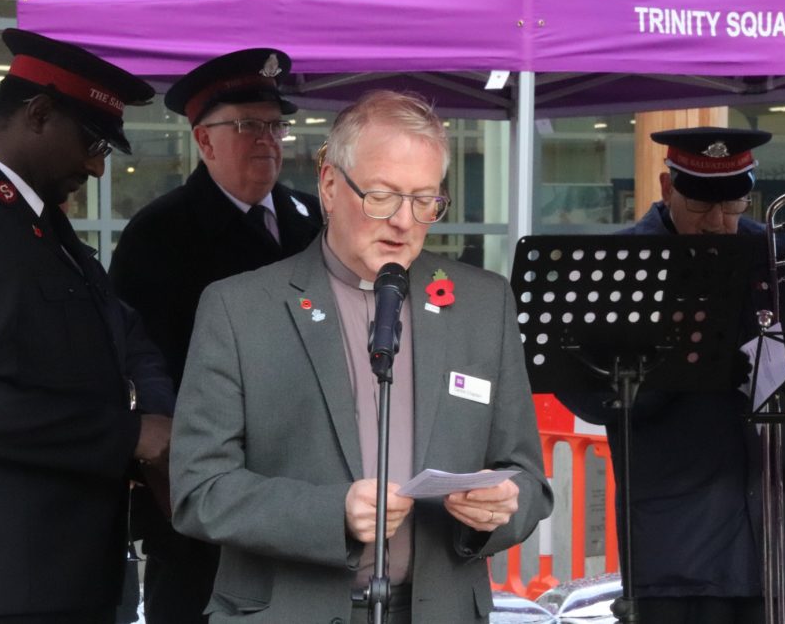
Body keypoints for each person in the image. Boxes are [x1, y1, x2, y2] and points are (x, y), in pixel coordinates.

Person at [169, 90, 554, 623]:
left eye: (425, 201)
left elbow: (528, 479)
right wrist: (331, 514)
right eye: (382, 196)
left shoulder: (482, 304)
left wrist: (498, 510)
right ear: (329, 185)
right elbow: (197, 491)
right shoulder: (239, 308)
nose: (404, 221)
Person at [555, 127, 785, 624]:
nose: (718, 222)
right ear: (667, 187)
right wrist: (673, 359)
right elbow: (588, 397)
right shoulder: (620, 265)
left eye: (734, 205)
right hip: (675, 541)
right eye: (700, 206)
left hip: (778, 532)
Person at [0, 28, 172, 624]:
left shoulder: (43, 230)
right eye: (91, 143)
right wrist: (128, 435)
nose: (95, 166)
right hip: (3, 583)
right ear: (38, 114)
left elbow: (122, 332)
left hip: (65, 569)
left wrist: (155, 416)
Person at [108, 48, 323, 624]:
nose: (268, 140)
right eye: (247, 126)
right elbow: (143, 368)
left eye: (276, 125)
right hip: (204, 495)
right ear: (204, 141)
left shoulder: (311, 221)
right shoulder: (159, 234)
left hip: (307, 484)